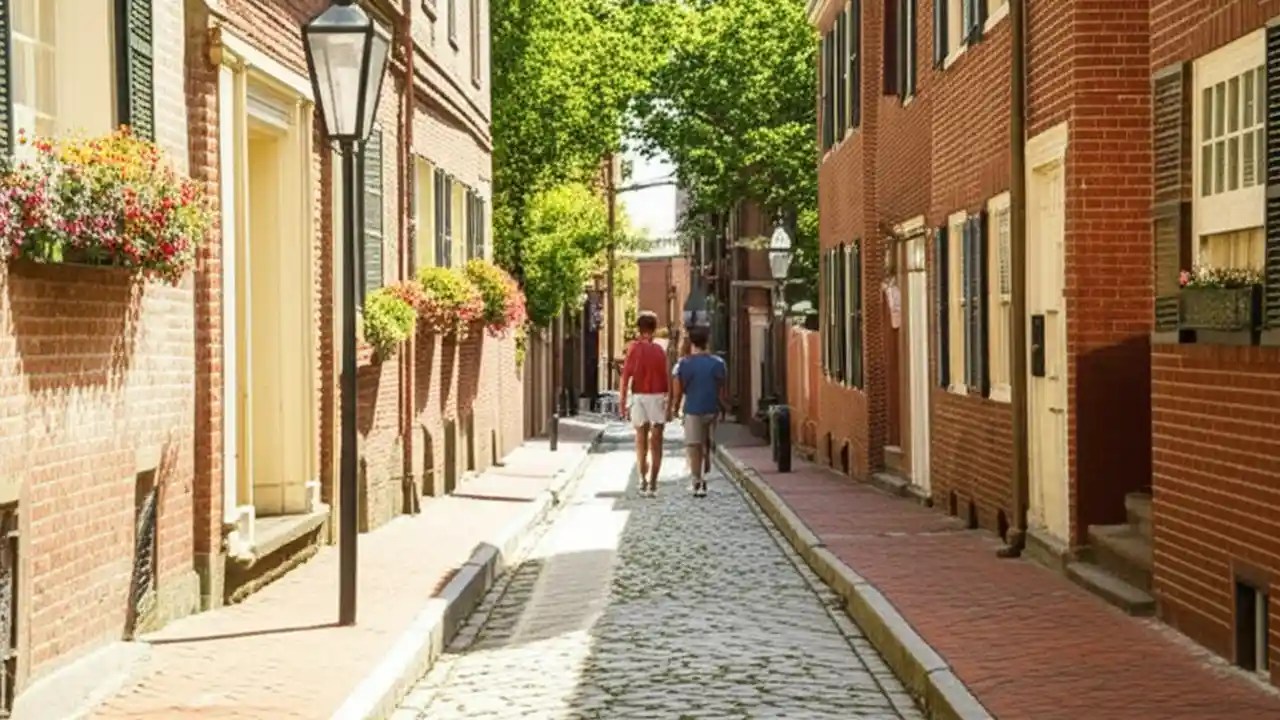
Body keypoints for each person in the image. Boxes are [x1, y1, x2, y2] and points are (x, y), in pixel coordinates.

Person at [670, 325, 726, 497]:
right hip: (711, 408)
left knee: (694, 446)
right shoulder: (718, 363)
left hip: (693, 409)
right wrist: (722, 407)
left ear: (691, 342)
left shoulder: (683, 365)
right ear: (707, 342)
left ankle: (697, 481)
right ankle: (705, 472)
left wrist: (675, 407)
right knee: (706, 443)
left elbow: (678, 390)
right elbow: (722, 389)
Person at [619, 311, 668, 497]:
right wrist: (671, 403)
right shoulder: (660, 351)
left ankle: (642, 479)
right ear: (654, 329)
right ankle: (654, 483)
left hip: (639, 396)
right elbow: (668, 377)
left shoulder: (633, 349)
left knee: (641, 439)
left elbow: (625, 377)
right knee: (657, 442)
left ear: (638, 329)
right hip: (658, 396)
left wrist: (622, 402)